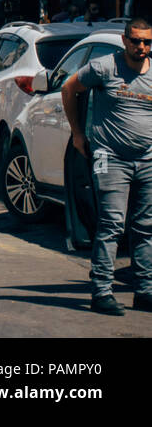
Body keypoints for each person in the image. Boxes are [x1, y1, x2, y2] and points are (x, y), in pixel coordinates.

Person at [60, 17, 152, 315]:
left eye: (147, 42)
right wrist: (77, 133)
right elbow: (68, 88)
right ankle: (101, 292)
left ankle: (145, 291)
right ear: (125, 40)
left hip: (148, 161)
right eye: (136, 41)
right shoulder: (104, 67)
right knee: (111, 224)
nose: (141, 47)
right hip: (111, 157)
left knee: (145, 228)